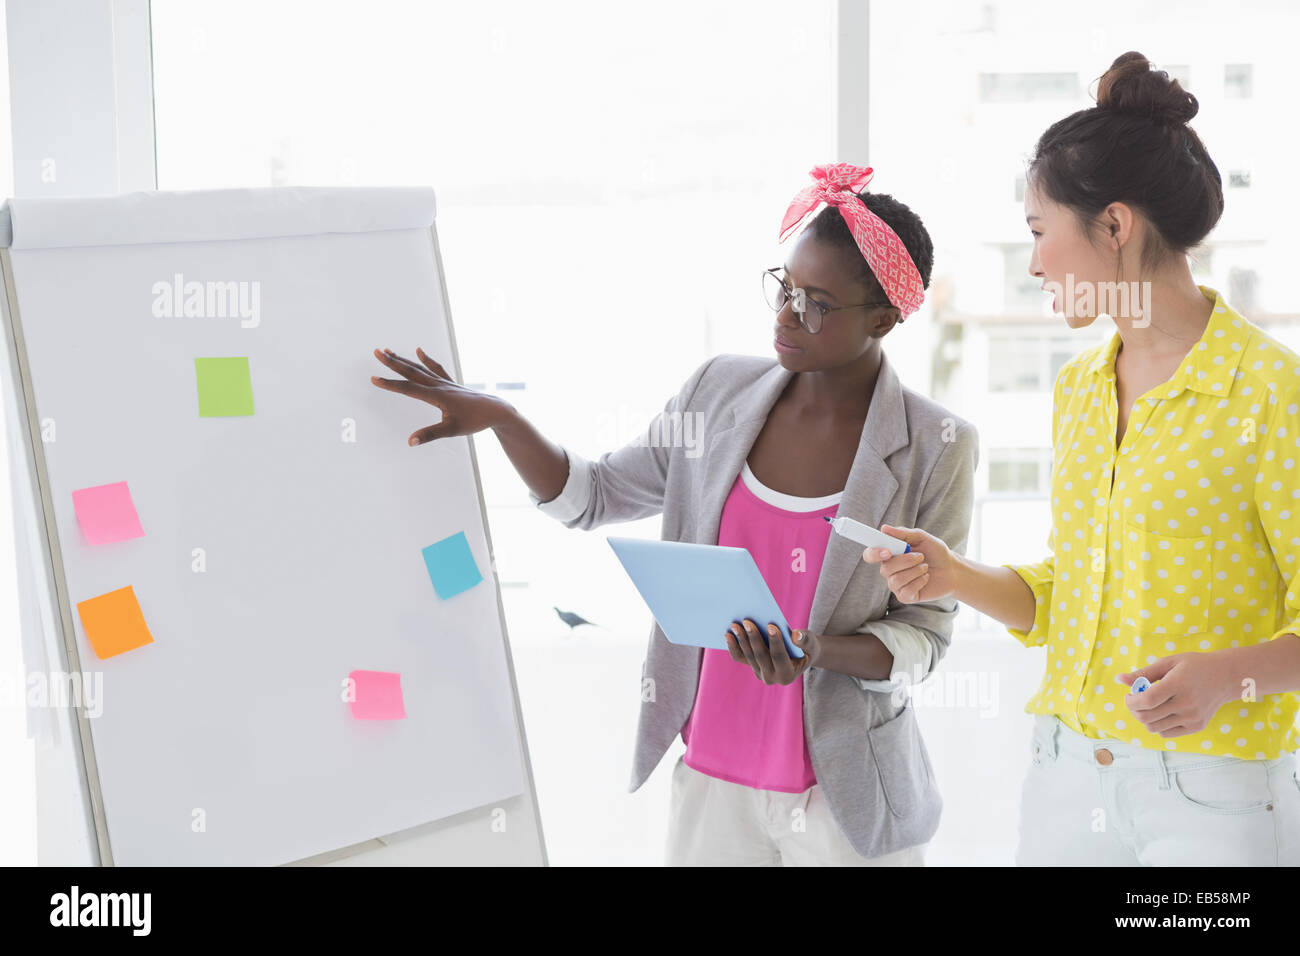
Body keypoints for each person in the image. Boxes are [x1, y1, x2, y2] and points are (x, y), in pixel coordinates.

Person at [371, 163, 978, 865]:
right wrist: (505, 419)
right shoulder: (717, 393)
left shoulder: (938, 446)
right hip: (715, 776)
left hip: (847, 798)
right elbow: (593, 496)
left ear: (883, 318)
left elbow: (925, 636)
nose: (785, 314)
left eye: (816, 303)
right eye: (784, 288)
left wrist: (818, 652)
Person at [866, 52, 1300, 865]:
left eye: (1039, 233)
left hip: (1213, 795)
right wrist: (952, 575)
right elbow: (1073, 598)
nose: (1033, 264)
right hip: (1065, 777)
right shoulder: (1080, 392)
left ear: (1114, 225)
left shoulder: (1271, 393)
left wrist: (1221, 677)